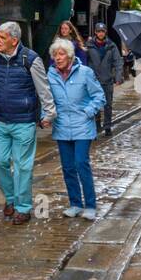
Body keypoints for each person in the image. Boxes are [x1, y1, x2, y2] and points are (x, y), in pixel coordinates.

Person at [0, 21, 56, 225]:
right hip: (0, 120)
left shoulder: (31, 60)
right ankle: (11, 198)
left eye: (1, 37)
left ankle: (22, 208)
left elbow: (43, 89)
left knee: (23, 166)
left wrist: (49, 113)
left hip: (24, 121)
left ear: (14, 40)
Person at [47, 38, 106, 221]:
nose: (58, 58)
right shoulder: (50, 76)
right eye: (55, 55)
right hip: (62, 127)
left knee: (81, 163)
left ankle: (90, 205)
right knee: (68, 167)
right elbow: (47, 100)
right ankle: (75, 204)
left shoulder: (85, 73)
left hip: (82, 127)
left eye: (61, 54)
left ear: (70, 56)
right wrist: (46, 116)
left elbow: (99, 96)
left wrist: (88, 112)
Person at [85, 21, 123, 136]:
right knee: (94, 104)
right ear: (95, 32)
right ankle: (96, 126)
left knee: (108, 105)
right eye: (98, 31)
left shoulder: (111, 46)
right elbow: (84, 61)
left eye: (102, 31)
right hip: (94, 80)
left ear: (105, 32)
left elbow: (118, 61)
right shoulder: (89, 46)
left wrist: (118, 76)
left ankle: (107, 126)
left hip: (107, 79)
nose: (100, 33)